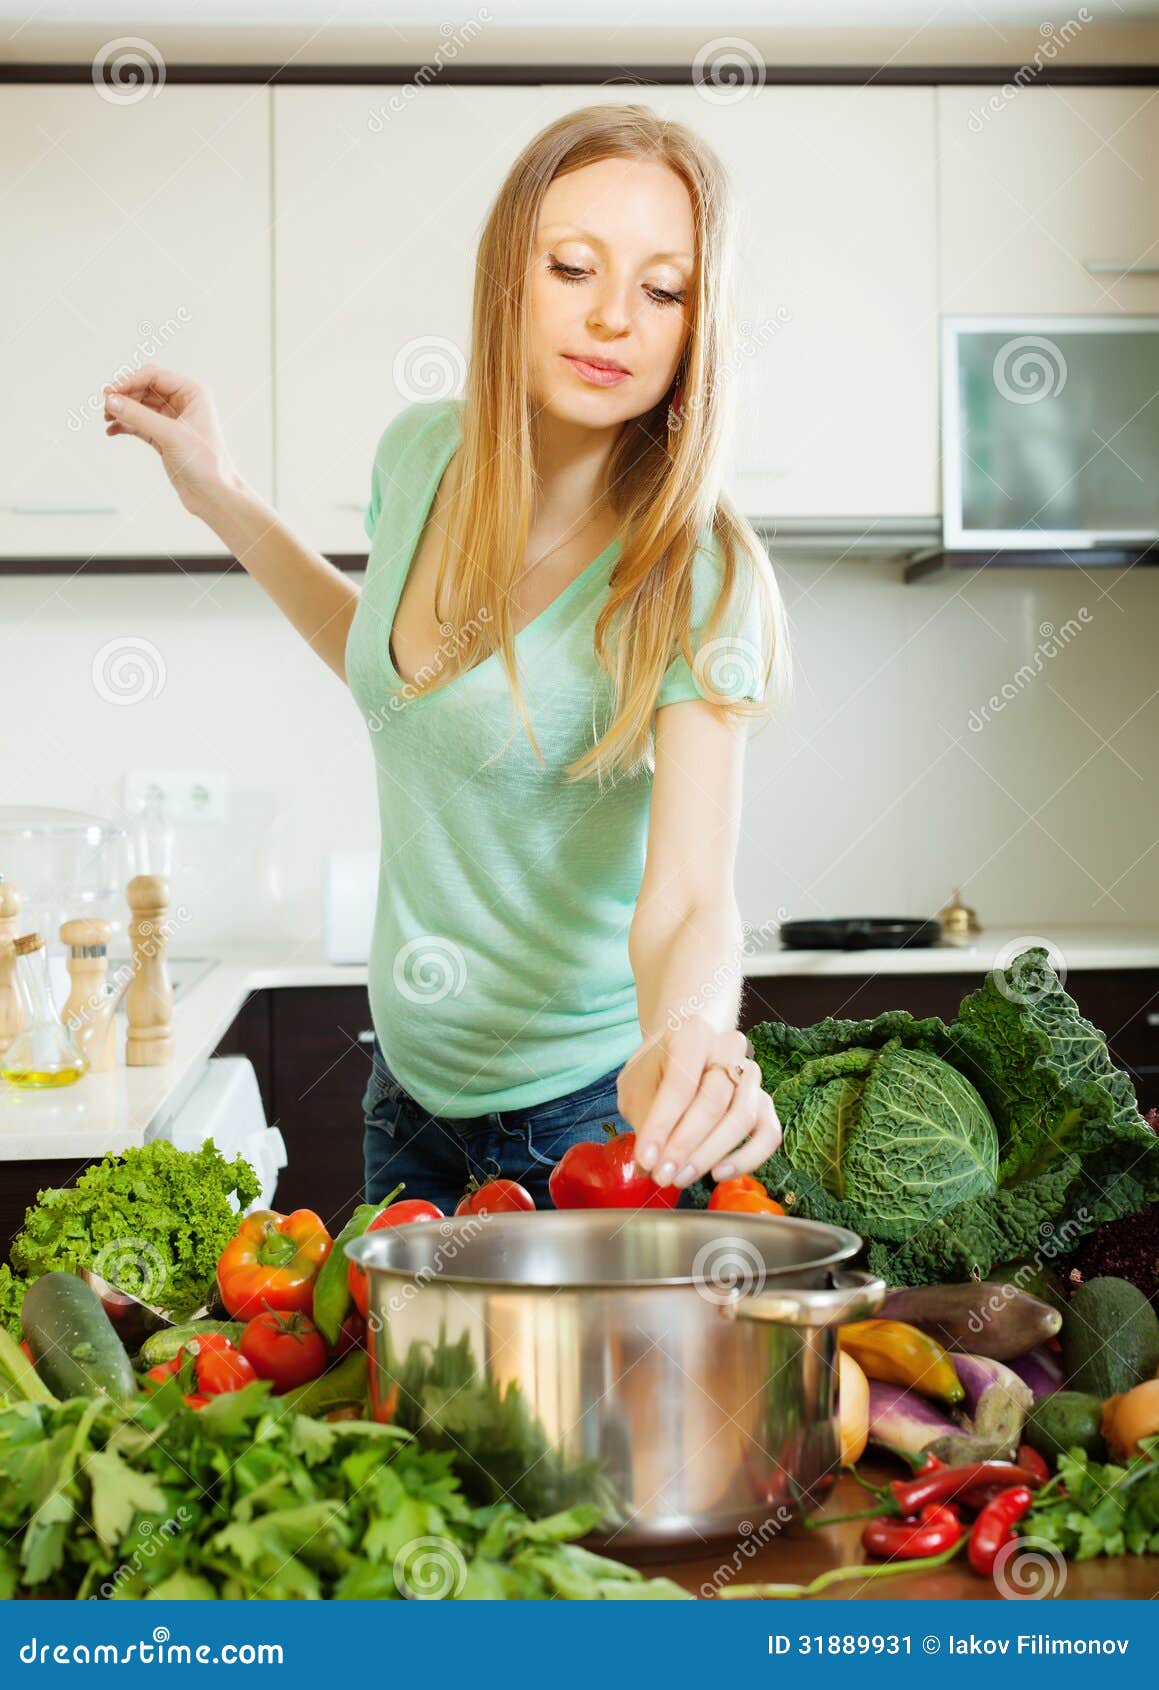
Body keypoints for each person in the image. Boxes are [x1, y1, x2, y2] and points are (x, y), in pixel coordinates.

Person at [101, 101, 791, 1217]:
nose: (614, 316)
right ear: (509, 281)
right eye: (573, 267)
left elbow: (686, 899)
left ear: (693, 326)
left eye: (663, 289)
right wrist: (218, 495)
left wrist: (692, 1035)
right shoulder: (422, 456)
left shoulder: (698, 570)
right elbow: (400, 678)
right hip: (406, 1093)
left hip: (588, 1118)